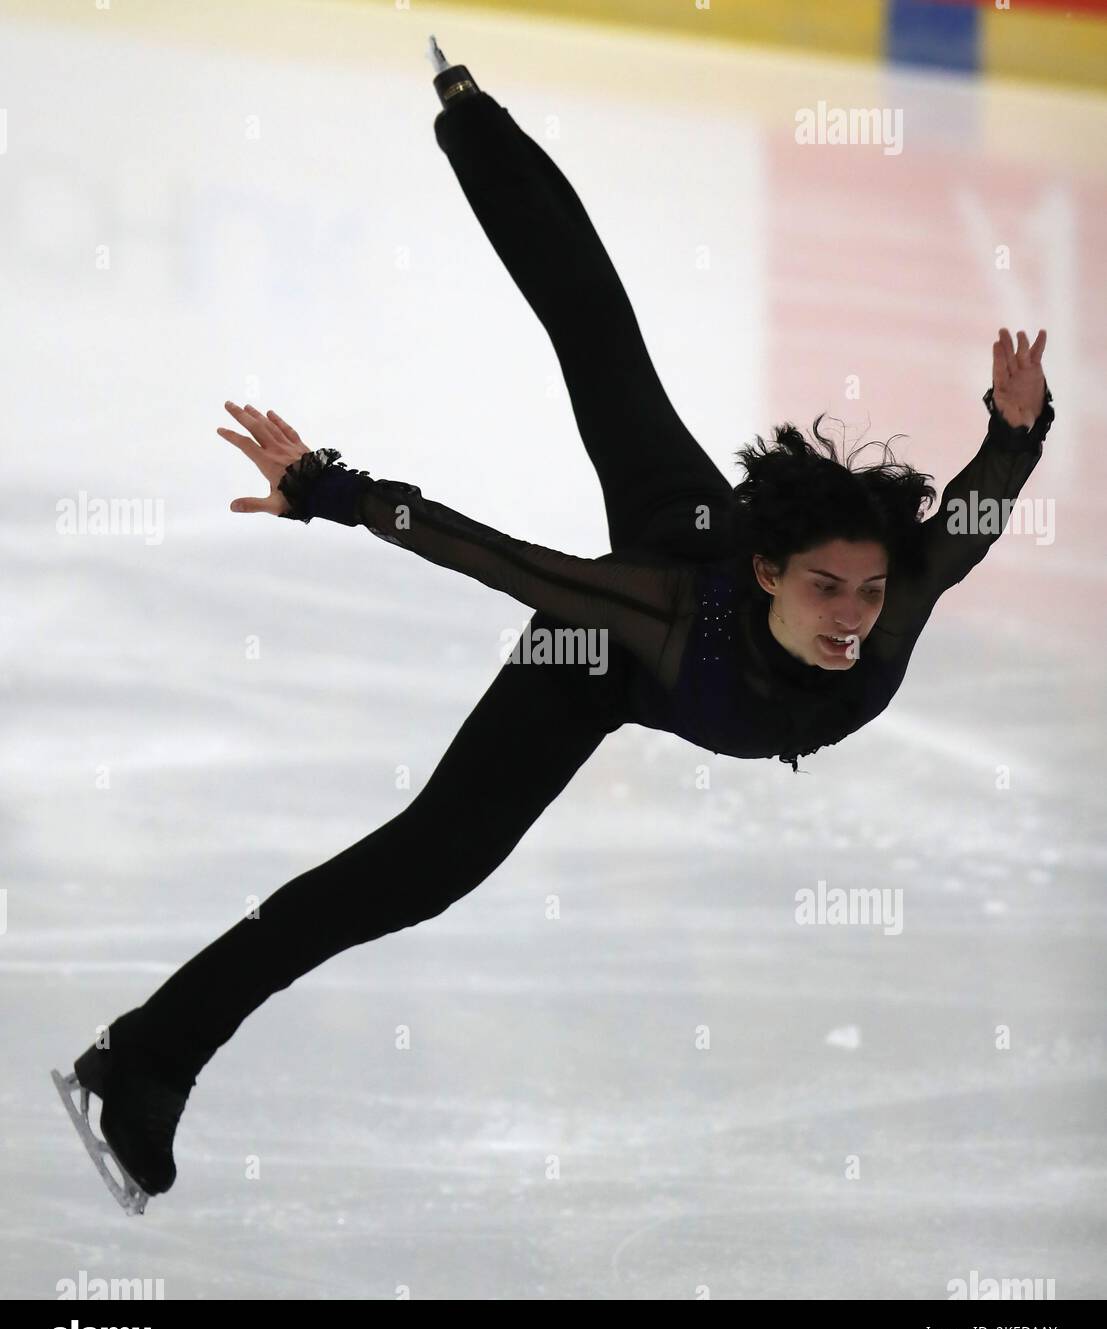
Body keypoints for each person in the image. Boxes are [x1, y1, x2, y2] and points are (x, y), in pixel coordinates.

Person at [53, 41, 1053, 1211]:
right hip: (623, 648)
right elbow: (496, 558)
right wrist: (335, 489)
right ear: (774, 569)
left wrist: (1017, 428)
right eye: (829, 588)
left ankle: (471, 117)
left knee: (607, 359)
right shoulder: (657, 610)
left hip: (703, 546)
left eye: (870, 592)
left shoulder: (890, 603)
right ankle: (148, 1058)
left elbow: (975, 512)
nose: (853, 618)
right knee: (423, 865)